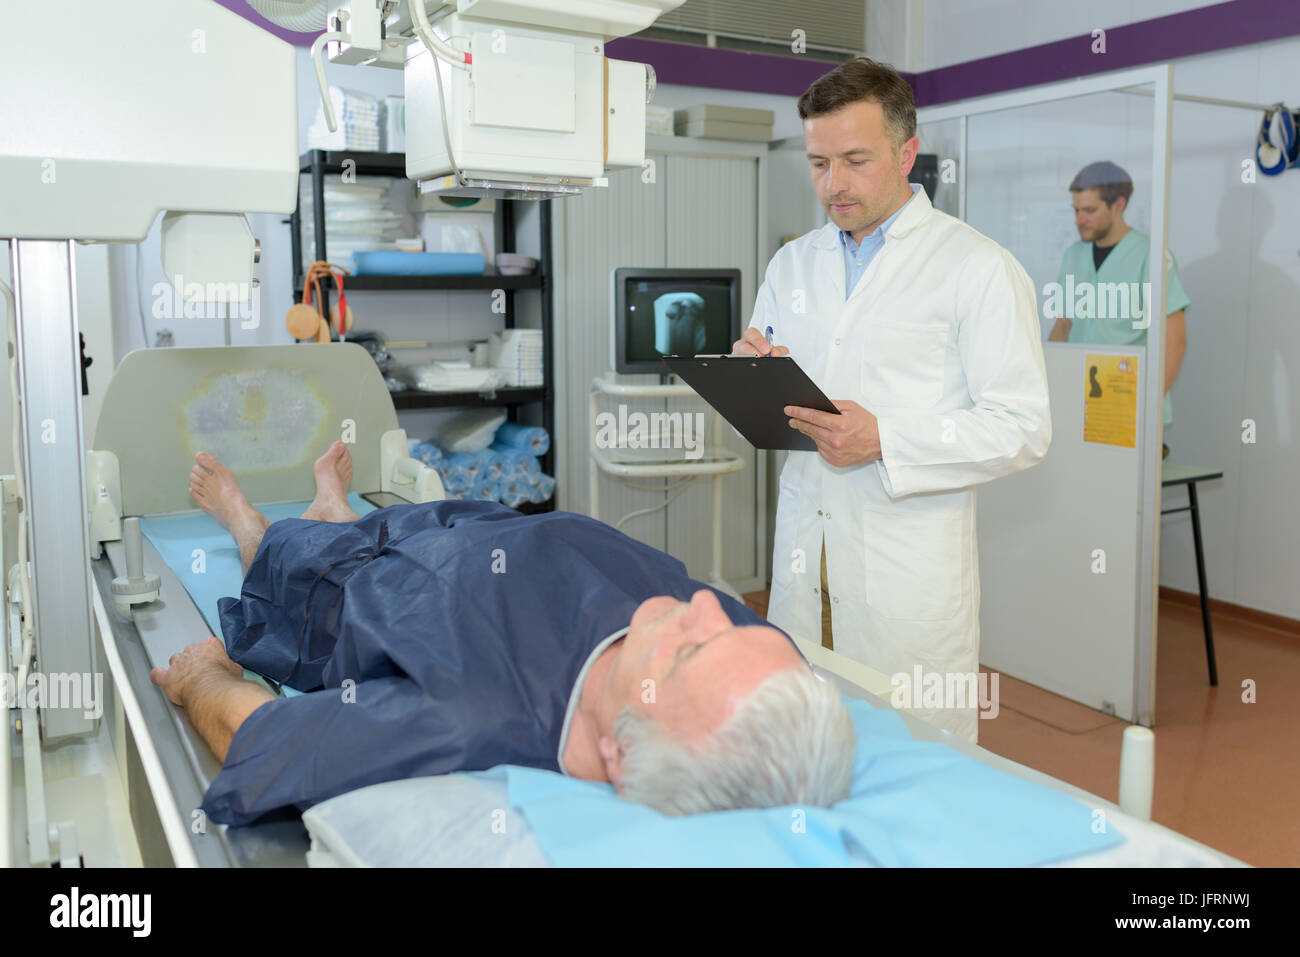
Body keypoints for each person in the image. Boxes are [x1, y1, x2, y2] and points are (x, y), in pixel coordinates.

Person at [151, 442, 855, 825]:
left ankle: (249, 521)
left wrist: (201, 678)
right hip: (480, 524)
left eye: (695, 646)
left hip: (360, 585)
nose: (705, 603)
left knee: (283, 557)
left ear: (615, 753)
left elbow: (262, 743)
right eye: (730, 623)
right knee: (344, 528)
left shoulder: (469, 716)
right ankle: (334, 506)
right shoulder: (731, 662)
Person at [732, 57, 1051, 743]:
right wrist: (754, 378)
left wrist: (888, 438)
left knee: (913, 764)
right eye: (818, 163)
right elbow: (784, 385)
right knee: (805, 748)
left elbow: (1023, 426)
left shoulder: (977, 268)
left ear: (907, 152)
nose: (833, 184)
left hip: (904, 570)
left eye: (854, 160)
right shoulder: (792, 264)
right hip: (804, 558)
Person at [1047, 161, 1190, 455]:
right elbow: (1062, 327)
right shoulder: (1074, 255)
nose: (1079, 220)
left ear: (1118, 205)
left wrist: (1149, 404)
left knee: (1125, 498)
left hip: (1130, 404)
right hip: (1079, 403)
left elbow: (1175, 341)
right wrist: (1048, 388)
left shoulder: (1151, 256)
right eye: (1076, 210)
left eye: (1089, 211)